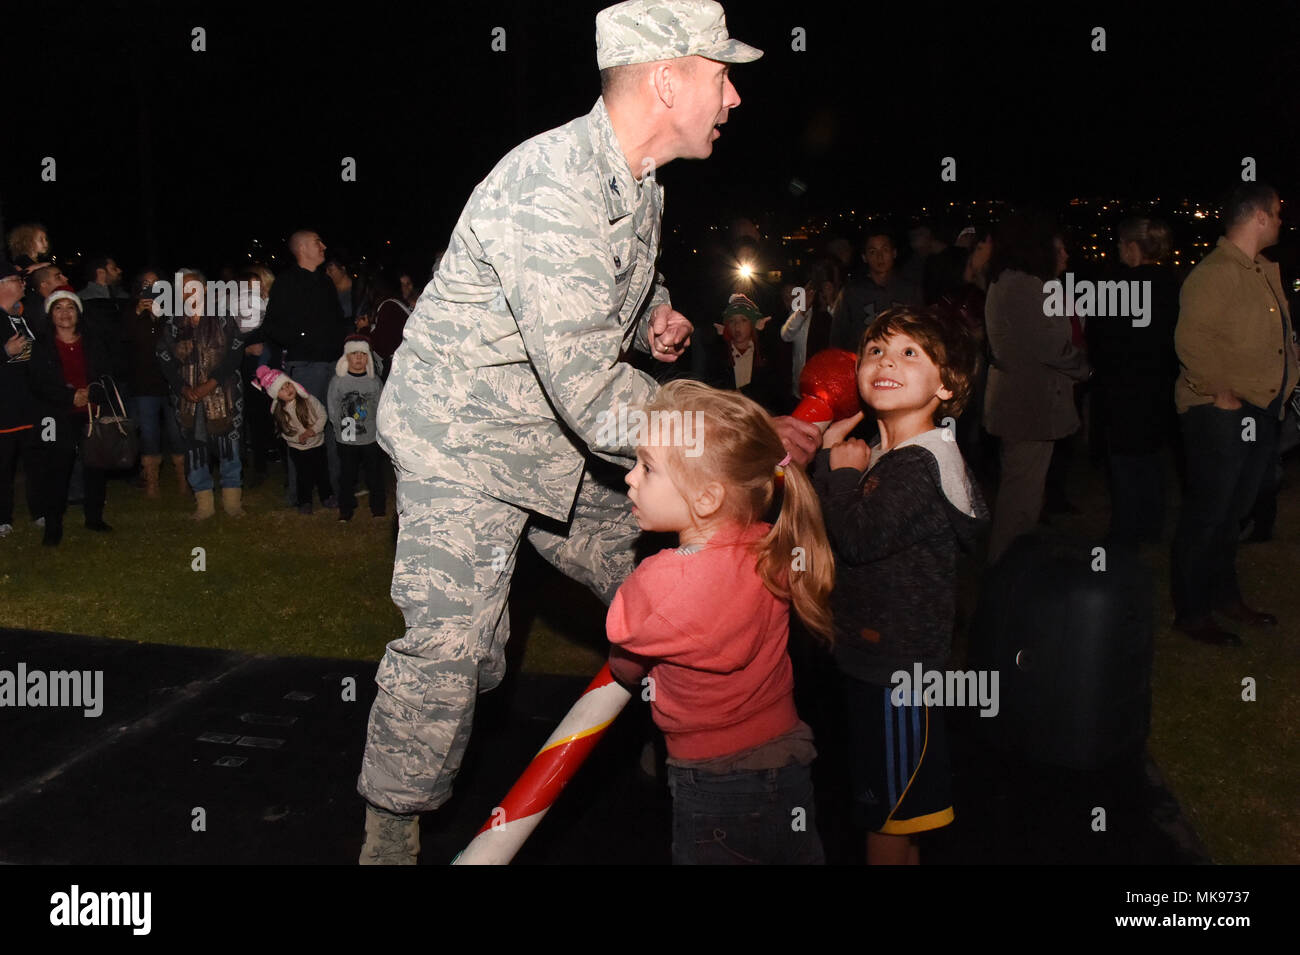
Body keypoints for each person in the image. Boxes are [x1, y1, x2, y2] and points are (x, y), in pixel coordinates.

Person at [356, 0, 820, 865]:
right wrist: (738, 431)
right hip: (465, 446)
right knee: (454, 657)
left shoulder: (640, 180)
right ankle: (390, 838)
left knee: (665, 575)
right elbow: (592, 396)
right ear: (667, 79)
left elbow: (613, 301)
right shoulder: (551, 186)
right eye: (723, 76)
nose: (734, 99)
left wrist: (657, 320)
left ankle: (690, 739)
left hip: (554, 437)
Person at [606, 379, 832, 864]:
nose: (631, 478)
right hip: (788, 756)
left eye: (647, 467)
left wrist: (625, 670)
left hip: (710, 779)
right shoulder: (772, 545)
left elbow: (625, 665)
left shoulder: (657, 585)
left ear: (707, 498)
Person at [811, 306, 988, 865]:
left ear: (946, 383)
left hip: (900, 678)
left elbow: (858, 538)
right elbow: (834, 524)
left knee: (887, 826)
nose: (886, 361)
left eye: (910, 352)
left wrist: (840, 472)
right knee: (896, 820)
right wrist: (828, 459)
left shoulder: (921, 463)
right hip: (877, 664)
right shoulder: (891, 455)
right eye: (875, 351)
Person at [1170, 182, 1297, 646]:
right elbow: (1191, 341)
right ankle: (1192, 611)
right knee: (1209, 513)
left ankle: (1223, 596)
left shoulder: (1261, 270)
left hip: (1258, 410)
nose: (1282, 220)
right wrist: (1219, 392)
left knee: (1232, 514)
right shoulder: (1217, 271)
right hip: (1220, 414)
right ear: (1258, 217)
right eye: (1277, 213)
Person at [983, 211, 1090, 564]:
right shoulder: (1029, 285)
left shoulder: (1006, 281)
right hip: (1030, 406)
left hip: (1018, 403)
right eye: (1055, 247)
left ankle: (1011, 567)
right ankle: (1008, 571)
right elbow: (1053, 346)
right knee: (1021, 499)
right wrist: (1085, 367)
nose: (1063, 255)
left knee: (1021, 491)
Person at [1087, 217, 1180, 547]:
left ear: (1134, 247)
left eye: (1121, 243)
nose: (1116, 249)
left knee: (1126, 462)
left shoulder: (1119, 289)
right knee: (1152, 458)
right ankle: (1151, 524)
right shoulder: (1174, 285)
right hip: (1160, 388)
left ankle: (1127, 530)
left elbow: (1098, 340)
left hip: (1124, 390)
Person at [262, 230, 348, 501]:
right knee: (301, 428)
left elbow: (335, 320)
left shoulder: (325, 282)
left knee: (332, 426)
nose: (323, 246)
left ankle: (332, 488)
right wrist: (302, 339)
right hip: (306, 366)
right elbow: (272, 326)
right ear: (301, 248)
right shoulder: (286, 283)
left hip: (333, 365)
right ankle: (299, 492)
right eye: (317, 242)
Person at [27, 287, 114, 545]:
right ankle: (53, 526)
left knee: (95, 467)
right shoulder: (41, 346)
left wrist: (92, 392)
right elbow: (36, 383)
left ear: (78, 312)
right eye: (58, 308)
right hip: (55, 416)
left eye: (70, 307)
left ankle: (94, 518)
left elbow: (109, 374)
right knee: (56, 470)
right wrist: (68, 397)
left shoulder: (94, 341)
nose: (65, 313)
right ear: (50, 314)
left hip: (90, 412)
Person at [156, 270, 246, 520]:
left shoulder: (224, 319)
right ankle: (204, 505)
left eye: (193, 286)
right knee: (195, 448)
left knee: (230, 447)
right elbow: (163, 357)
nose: (189, 292)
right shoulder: (174, 323)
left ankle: (232, 503)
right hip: (188, 399)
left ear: (205, 289)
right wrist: (182, 387)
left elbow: (235, 354)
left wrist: (212, 382)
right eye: (184, 288)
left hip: (224, 395)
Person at [1, 258, 41, 538]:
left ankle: (40, 511)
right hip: (4, 407)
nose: (23, 283)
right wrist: (4, 352)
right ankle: (3, 518)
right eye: (17, 280)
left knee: (37, 461)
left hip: (29, 404)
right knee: (3, 466)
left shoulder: (22, 315)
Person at [255, 366, 331, 514]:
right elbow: (284, 432)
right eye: (282, 388)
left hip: (318, 445)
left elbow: (323, 415)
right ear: (276, 395)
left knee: (322, 472)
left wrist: (313, 430)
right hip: (299, 450)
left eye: (288, 384)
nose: (288, 389)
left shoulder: (309, 400)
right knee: (303, 476)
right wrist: (298, 438)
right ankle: (305, 501)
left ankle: (327, 496)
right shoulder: (279, 412)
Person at [832, 229, 922, 351]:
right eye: (873, 251)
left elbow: (921, 331)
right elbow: (838, 335)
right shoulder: (852, 292)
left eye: (885, 250)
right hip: (861, 361)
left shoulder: (910, 290)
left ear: (894, 253)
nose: (880, 257)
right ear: (864, 257)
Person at [327, 335, 386, 520]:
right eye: (354, 354)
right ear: (346, 357)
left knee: (374, 475)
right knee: (347, 476)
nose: (359, 358)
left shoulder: (374, 381)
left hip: (370, 438)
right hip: (347, 438)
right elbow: (333, 407)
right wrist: (339, 429)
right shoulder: (338, 381)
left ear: (368, 357)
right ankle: (345, 510)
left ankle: (378, 510)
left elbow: (381, 406)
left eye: (363, 354)